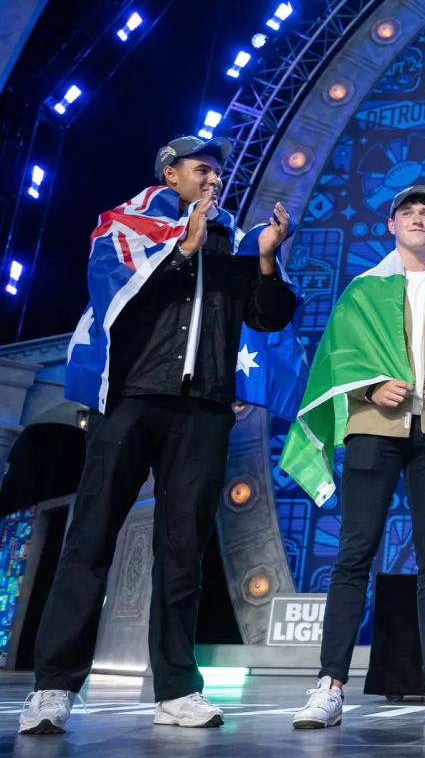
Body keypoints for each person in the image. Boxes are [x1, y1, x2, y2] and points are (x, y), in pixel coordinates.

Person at [21, 136, 297, 734]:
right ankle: (52, 688)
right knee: (89, 540)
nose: (214, 180)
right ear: (171, 174)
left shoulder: (230, 241)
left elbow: (269, 317)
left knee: (183, 553)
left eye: (219, 174)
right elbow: (110, 292)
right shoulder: (126, 227)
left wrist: (268, 259)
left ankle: (176, 689)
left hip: (203, 409)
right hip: (131, 400)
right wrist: (181, 248)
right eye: (203, 170)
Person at [289, 185, 425, 729]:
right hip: (374, 426)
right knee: (354, 553)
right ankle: (329, 685)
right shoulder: (362, 289)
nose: (416, 219)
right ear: (391, 225)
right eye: (407, 212)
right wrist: (369, 387)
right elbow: (338, 358)